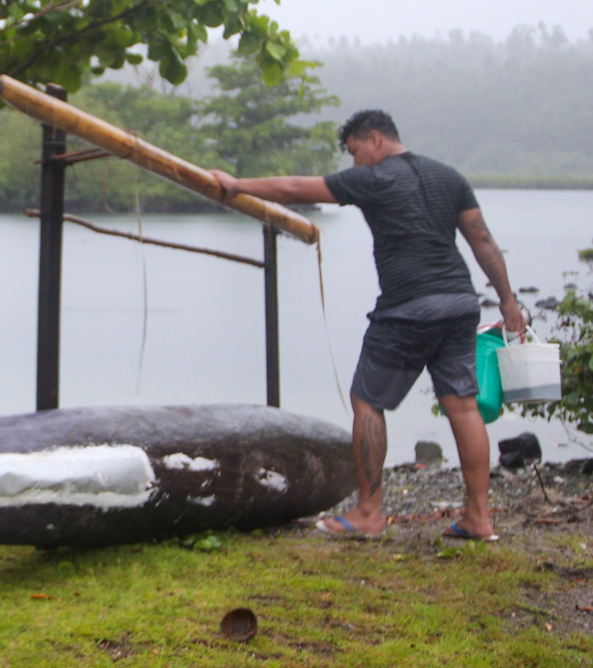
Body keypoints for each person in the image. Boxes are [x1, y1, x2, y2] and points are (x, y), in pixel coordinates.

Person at [210, 109, 526, 541]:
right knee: (464, 407)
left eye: (355, 151)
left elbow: (294, 188)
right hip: (459, 303)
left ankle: (369, 512)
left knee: (366, 400)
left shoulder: (373, 178)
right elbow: (483, 241)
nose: (354, 163)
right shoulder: (448, 177)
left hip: (408, 307)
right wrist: (508, 301)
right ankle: (478, 518)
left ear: (374, 139)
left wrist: (235, 184)